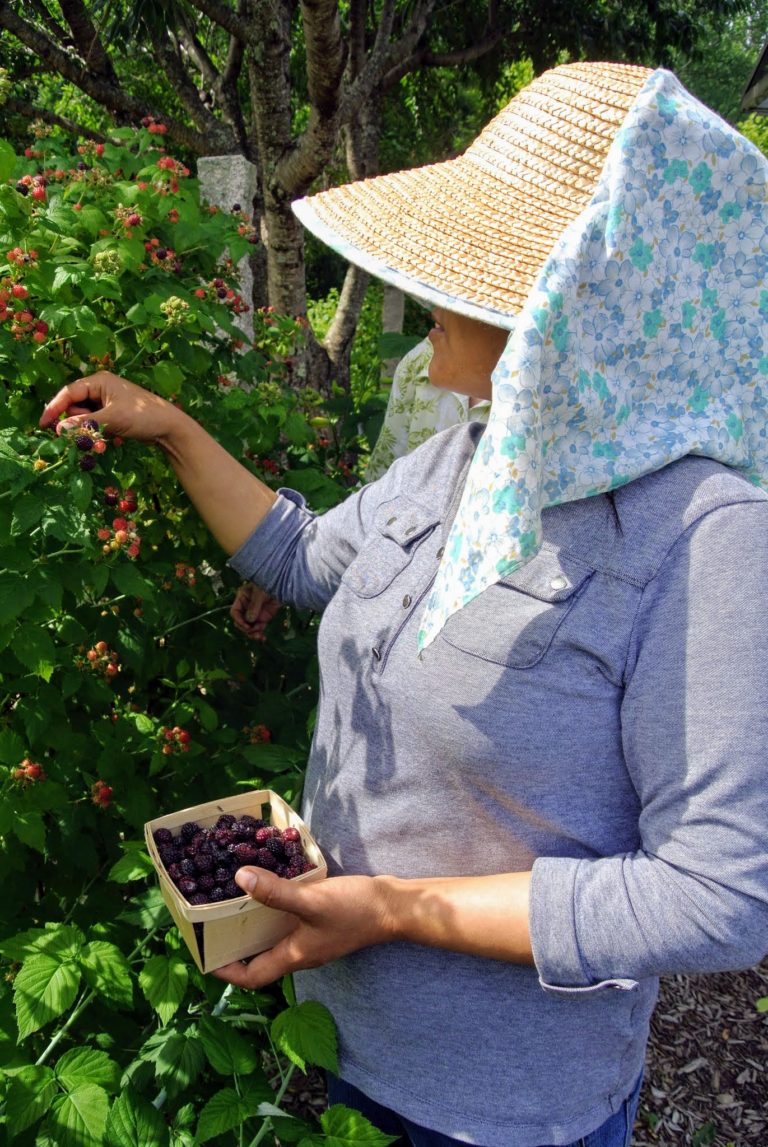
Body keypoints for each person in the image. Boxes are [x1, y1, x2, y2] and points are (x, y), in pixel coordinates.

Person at [40, 61, 768, 1147]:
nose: (429, 315)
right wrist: (174, 427)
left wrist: (389, 908)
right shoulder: (467, 457)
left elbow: (717, 897)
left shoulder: (701, 534)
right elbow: (301, 557)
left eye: (454, 287)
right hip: (348, 1040)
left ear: (566, 312)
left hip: (508, 1108)